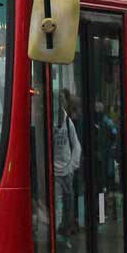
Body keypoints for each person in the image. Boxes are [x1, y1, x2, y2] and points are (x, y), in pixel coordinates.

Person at [52, 87, 81, 235]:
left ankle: (66, 227)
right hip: (54, 172)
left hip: (66, 169)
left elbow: (76, 145)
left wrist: (72, 166)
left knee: (68, 200)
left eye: (61, 101)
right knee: (57, 201)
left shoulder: (68, 121)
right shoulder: (47, 121)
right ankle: (57, 229)